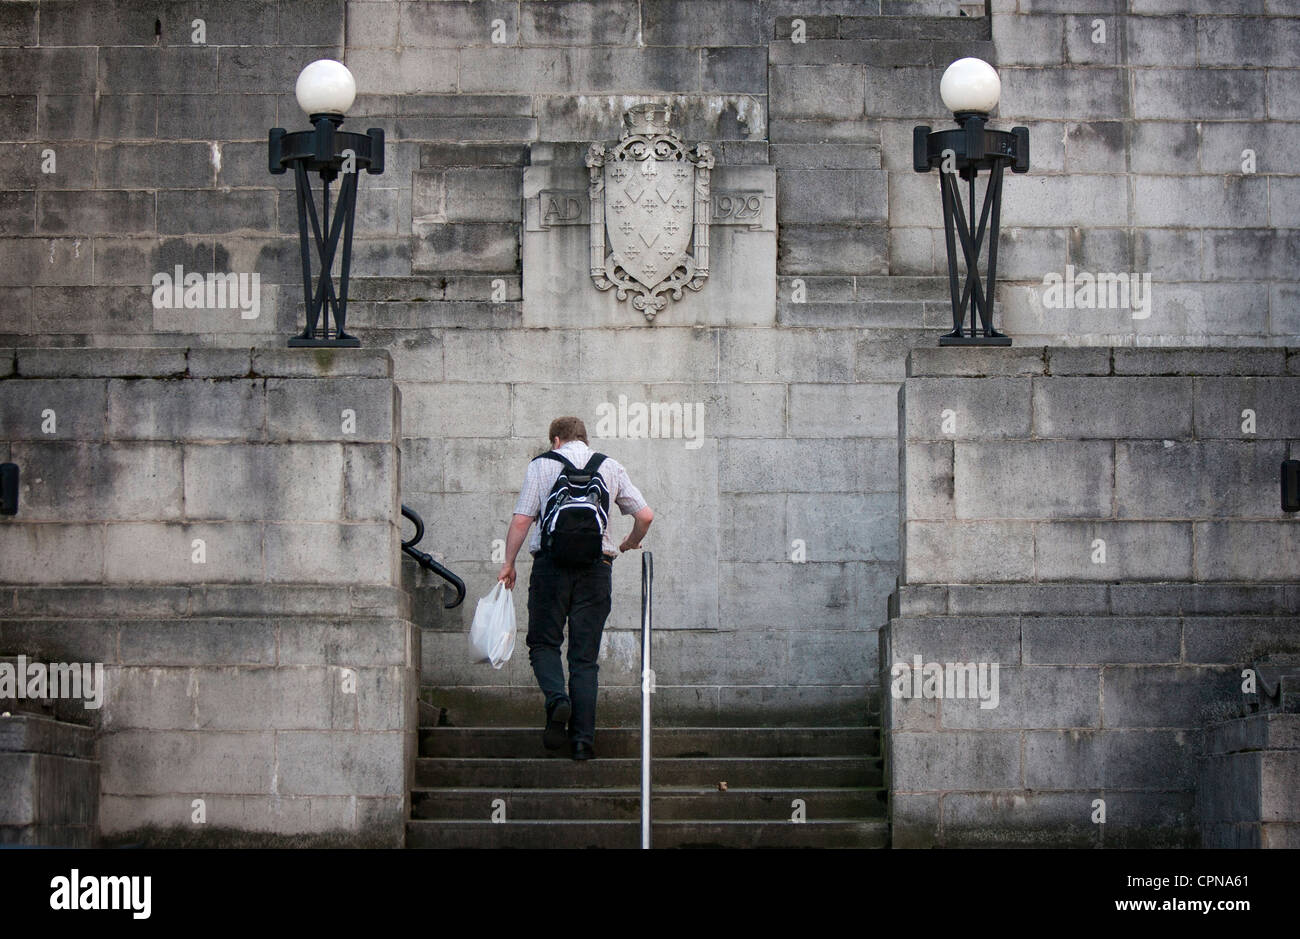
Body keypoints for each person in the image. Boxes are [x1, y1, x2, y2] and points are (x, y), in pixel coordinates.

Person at [497, 416, 654, 760]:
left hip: (551, 567)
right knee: (584, 659)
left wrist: (508, 563)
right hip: (596, 569)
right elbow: (645, 516)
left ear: (556, 440)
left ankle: (557, 699)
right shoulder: (609, 466)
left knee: (543, 643)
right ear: (584, 438)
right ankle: (582, 742)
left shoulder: (541, 465)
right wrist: (627, 543)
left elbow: (523, 519)